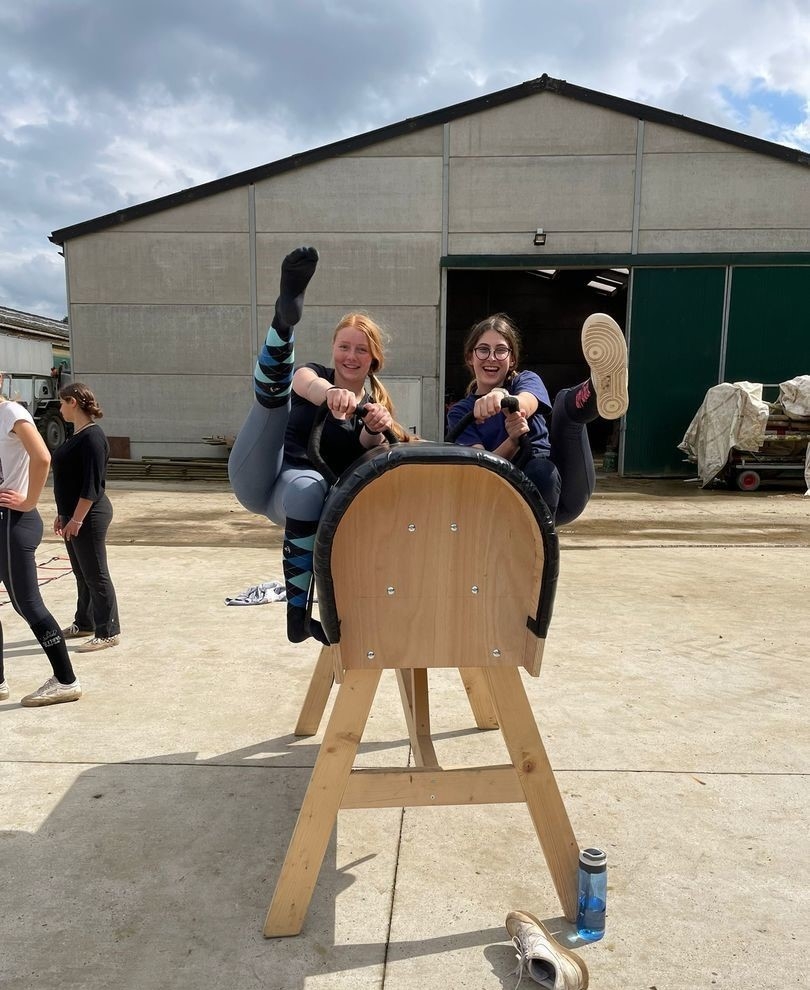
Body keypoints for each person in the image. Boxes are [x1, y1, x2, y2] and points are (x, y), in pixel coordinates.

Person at [229, 246, 407, 645]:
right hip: (261, 472)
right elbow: (302, 383)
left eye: (361, 349)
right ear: (333, 350)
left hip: (297, 493)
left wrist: (376, 426)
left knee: (312, 488)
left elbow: (363, 452)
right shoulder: (317, 375)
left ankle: (297, 618)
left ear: (373, 359)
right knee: (273, 401)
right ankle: (284, 319)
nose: (351, 355)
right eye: (344, 346)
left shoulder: (376, 402)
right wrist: (329, 393)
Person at [446, 312, 629, 527]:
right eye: (483, 350)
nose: (492, 357)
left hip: (556, 492)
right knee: (535, 473)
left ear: (512, 359)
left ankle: (597, 386)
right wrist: (512, 441)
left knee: (561, 408)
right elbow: (482, 467)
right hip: (499, 499)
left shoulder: (526, 380)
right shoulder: (460, 413)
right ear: (470, 357)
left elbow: (527, 402)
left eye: (501, 350)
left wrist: (504, 397)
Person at [0, 376, 81, 706]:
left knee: (27, 604)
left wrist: (29, 500)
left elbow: (42, 456)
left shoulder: (10, 412)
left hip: (11, 522)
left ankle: (66, 680)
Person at [52, 382, 121, 652]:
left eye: (61, 402)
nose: (59, 408)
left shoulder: (92, 437)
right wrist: (62, 514)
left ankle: (108, 630)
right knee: (81, 572)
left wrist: (77, 519)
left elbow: (91, 485)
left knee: (96, 573)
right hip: (73, 514)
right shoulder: (77, 434)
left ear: (72, 402)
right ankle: (86, 621)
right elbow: (67, 480)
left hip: (89, 514)